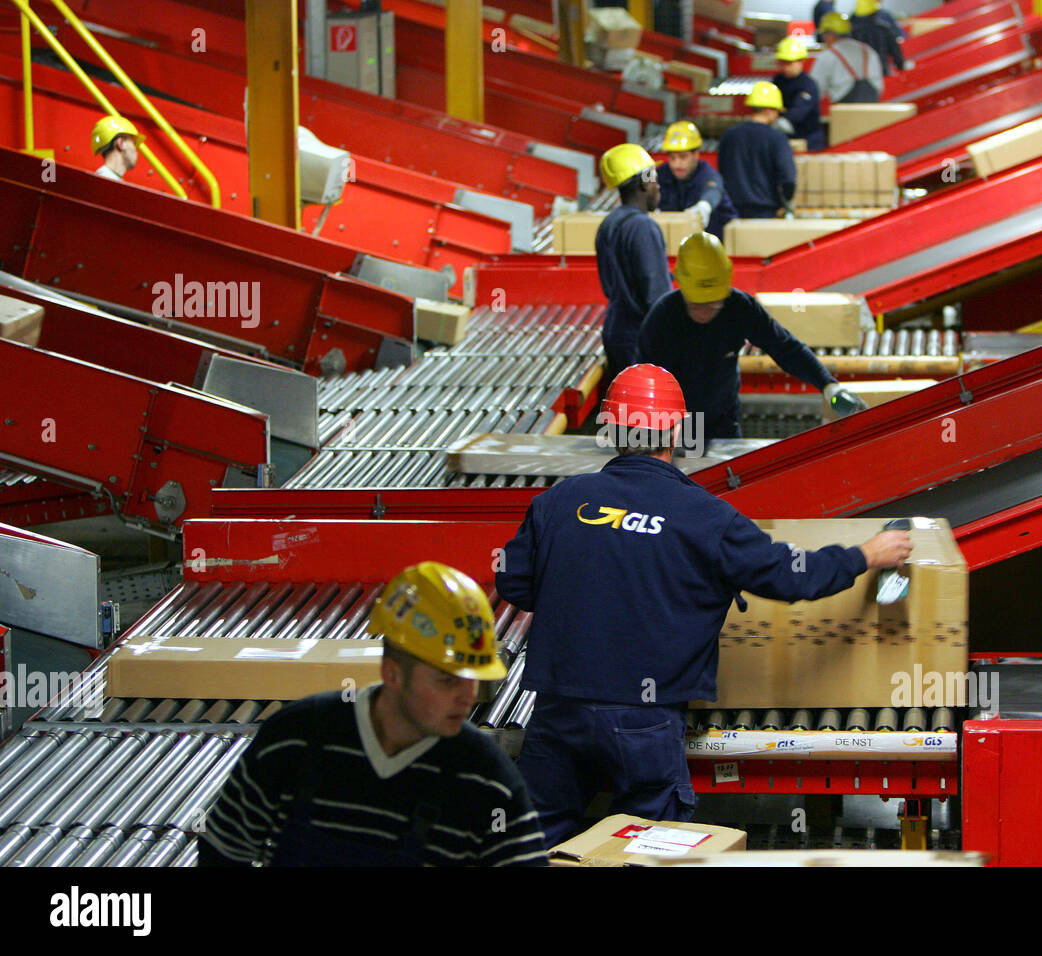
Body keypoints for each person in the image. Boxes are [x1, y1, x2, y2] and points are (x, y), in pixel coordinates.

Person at [496, 363, 913, 846]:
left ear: (608, 428)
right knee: (644, 846)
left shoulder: (561, 500)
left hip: (557, 709)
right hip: (645, 721)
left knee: (536, 843)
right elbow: (788, 577)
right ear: (675, 428)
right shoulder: (706, 518)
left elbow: (515, 583)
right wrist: (865, 555)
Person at [198, 562, 549, 867]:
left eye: (473, 678)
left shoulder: (486, 778)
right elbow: (222, 852)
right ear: (392, 673)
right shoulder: (294, 740)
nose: (468, 696)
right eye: (447, 680)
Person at [639, 232, 868, 442]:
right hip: (670, 428)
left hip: (723, 424)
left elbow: (785, 347)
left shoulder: (740, 308)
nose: (705, 311)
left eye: (713, 303)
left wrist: (828, 385)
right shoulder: (663, 319)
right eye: (697, 304)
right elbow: (641, 383)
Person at [594, 143, 673, 379]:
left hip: (617, 330)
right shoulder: (643, 226)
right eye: (654, 178)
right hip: (641, 336)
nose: (658, 186)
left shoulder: (609, 224)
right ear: (643, 182)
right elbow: (656, 295)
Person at [716, 81, 798, 219]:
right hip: (765, 211)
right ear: (768, 110)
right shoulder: (777, 138)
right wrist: (785, 201)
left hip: (731, 210)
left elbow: (722, 170)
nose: (777, 116)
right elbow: (788, 177)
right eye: (777, 111)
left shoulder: (729, 135)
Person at [655, 121, 738, 241]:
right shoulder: (661, 174)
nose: (677, 164)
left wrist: (704, 206)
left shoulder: (708, 175)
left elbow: (712, 190)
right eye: (672, 158)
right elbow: (645, 186)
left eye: (683, 157)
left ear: (696, 154)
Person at [810, 11, 883, 103]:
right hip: (872, 110)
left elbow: (815, 89)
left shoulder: (827, 56)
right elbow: (879, 86)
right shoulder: (868, 51)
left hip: (844, 111)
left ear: (830, 35)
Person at [771, 35, 825, 151]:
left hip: (808, 140)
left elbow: (799, 111)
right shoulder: (778, 81)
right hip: (785, 137)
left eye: (790, 63)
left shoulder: (808, 85)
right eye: (783, 63)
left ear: (801, 61)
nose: (786, 68)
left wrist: (783, 120)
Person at [850, 0, 907, 76]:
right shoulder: (882, 28)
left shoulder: (851, 35)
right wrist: (901, 65)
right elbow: (896, 52)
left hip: (862, 77)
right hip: (882, 73)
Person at [91, 115, 143, 181]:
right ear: (120, 143)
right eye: (133, 144)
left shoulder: (106, 180)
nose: (136, 152)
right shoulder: (104, 182)